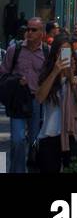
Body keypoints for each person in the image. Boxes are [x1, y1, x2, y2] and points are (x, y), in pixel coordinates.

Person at [35, 34, 77, 174]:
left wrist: (71, 78)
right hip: (50, 133)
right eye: (60, 51)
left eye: (66, 51)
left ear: (72, 54)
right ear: (54, 54)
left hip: (75, 133)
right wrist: (55, 72)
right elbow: (40, 98)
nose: (63, 55)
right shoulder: (47, 73)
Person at [1, 16, 46, 173]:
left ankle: (32, 168)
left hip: (37, 101)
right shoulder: (15, 49)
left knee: (35, 141)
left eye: (34, 30)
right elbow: (3, 74)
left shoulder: (46, 52)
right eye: (28, 29)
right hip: (18, 101)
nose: (29, 32)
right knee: (18, 140)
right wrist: (16, 81)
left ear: (42, 32)